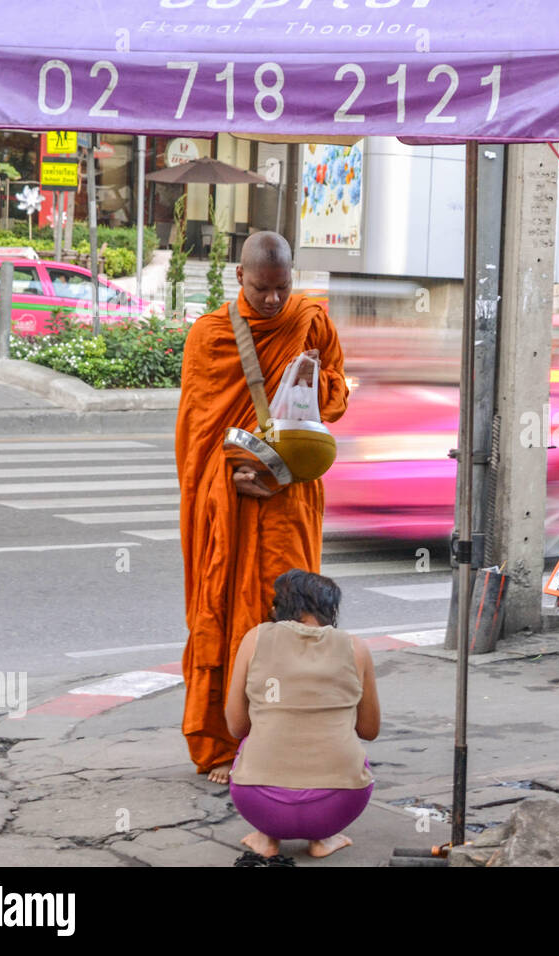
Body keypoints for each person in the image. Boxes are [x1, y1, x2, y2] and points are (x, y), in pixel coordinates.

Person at [176, 232, 349, 782]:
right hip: (234, 504)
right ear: (238, 278)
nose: (273, 300)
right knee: (233, 619)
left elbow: (336, 401)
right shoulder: (209, 336)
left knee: (295, 621)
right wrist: (230, 478)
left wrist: (313, 378)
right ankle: (227, 744)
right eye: (261, 288)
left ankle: (293, 742)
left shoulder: (311, 322)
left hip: (291, 501)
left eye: (282, 287)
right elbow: (196, 438)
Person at [226, 570, 380, 864]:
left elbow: (236, 726)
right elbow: (369, 729)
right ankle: (323, 839)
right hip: (337, 806)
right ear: (330, 609)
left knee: (251, 741)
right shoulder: (355, 647)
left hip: (258, 803)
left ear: (278, 609)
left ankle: (266, 837)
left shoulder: (254, 639)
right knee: (350, 751)